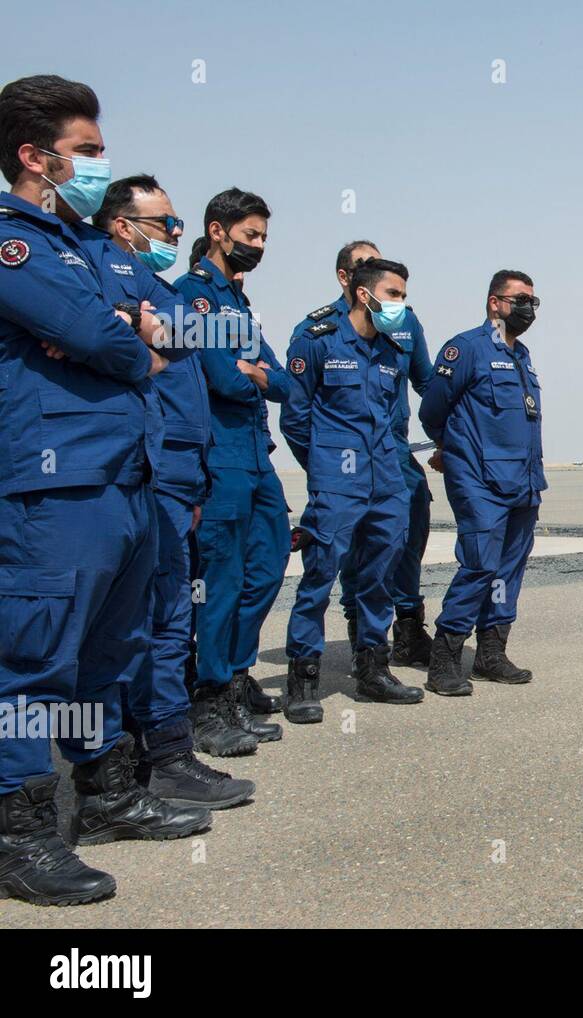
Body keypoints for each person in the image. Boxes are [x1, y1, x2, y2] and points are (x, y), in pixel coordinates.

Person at [0, 75, 209, 906]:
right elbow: (101, 332)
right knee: (32, 660)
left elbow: (156, 327)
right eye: (87, 152)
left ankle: (109, 796)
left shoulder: (81, 245)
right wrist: (122, 339)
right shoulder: (12, 242)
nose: (99, 164)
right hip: (57, 486)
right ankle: (19, 836)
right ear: (33, 154)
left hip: (128, 479)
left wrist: (123, 335)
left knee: (106, 654)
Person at [91, 174, 256, 806]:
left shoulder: (158, 290)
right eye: (165, 225)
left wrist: (158, 327)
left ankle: (162, 751)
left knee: (169, 617)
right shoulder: (104, 278)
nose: (175, 236)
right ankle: (147, 758)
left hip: (184, 476)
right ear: (123, 226)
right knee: (148, 621)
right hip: (147, 472)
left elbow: (202, 340)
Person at [281, 258, 425, 718]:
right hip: (337, 483)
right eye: (395, 293)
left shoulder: (391, 351)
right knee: (320, 577)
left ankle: (373, 670)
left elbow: (393, 418)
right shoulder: (317, 339)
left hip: (387, 482)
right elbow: (295, 416)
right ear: (365, 294)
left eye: (404, 294)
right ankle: (303, 679)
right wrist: (325, 470)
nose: (401, 303)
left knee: (379, 579)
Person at [175, 188, 286, 752]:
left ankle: (237, 677)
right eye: (251, 235)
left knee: (265, 571)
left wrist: (262, 375)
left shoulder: (238, 304)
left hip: (256, 458)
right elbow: (226, 378)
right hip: (219, 458)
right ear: (217, 231)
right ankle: (209, 699)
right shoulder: (192, 297)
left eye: (264, 237)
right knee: (217, 583)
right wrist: (256, 377)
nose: (259, 246)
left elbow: (287, 382)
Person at [418, 269, 546, 696]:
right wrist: (449, 448)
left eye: (533, 300)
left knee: (508, 569)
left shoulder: (522, 354)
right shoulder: (466, 348)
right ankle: (446, 658)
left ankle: (491, 653)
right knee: (479, 564)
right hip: (480, 481)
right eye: (519, 299)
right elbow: (433, 410)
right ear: (495, 303)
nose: (528, 307)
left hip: (524, 482)